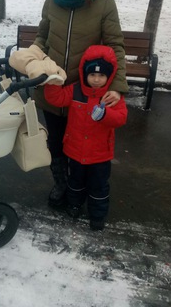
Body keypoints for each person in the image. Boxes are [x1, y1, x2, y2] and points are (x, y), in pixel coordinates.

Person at [9, 0, 129, 208]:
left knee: (81, 144)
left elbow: (116, 47)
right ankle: (61, 184)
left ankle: (79, 188)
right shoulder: (52, 1)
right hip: (53, 88)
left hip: (85, 94)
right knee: (56, 143)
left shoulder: (104, 3)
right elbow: (42, 38)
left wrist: (116, 87)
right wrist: (31, 58)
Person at [44, 45, 128, 230]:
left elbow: (121, 118)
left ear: (109, 76)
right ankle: (74, 205)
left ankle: (97, 215)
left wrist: (105, 114)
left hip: (100, 154)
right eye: (92, 75)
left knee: (99, 186)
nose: (96, 80)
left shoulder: (112, 96)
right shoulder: (76, 90)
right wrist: (51, 81)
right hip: (75, 150)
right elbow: (57, 98)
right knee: (75, 182)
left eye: (101, 75)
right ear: (85, 74)